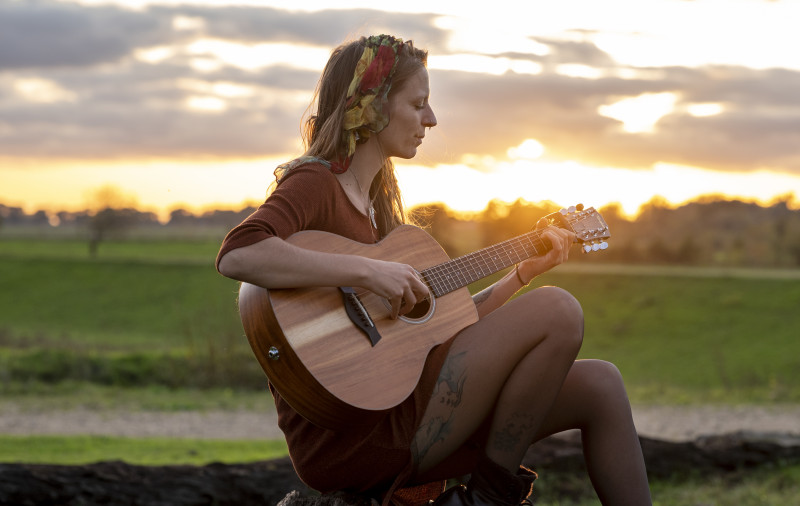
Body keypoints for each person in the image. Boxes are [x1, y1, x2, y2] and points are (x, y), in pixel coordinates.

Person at [216, 34, 652, 506]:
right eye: (418, 103)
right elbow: (239, 254)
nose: (432, 119)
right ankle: (487, 497)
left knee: (601, 384)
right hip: (356, 437)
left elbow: (447, 333)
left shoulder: (381, 215)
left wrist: (521, 274)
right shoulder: (317, 182)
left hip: (408, 409)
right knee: (559, 309)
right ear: (373, 107)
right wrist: (364, 271)